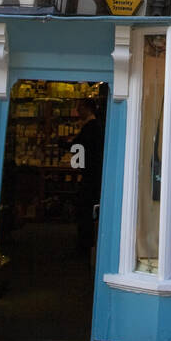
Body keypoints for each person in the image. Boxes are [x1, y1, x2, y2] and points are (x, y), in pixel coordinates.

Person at [69, 98, 103, 260]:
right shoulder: (94, 127)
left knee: (86, 210)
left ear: (87, 109)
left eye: (79, 108)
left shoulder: (91, 127)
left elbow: (79, 146)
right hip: (92, 175)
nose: (77, 111)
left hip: (91, 177)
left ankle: (86, 244)